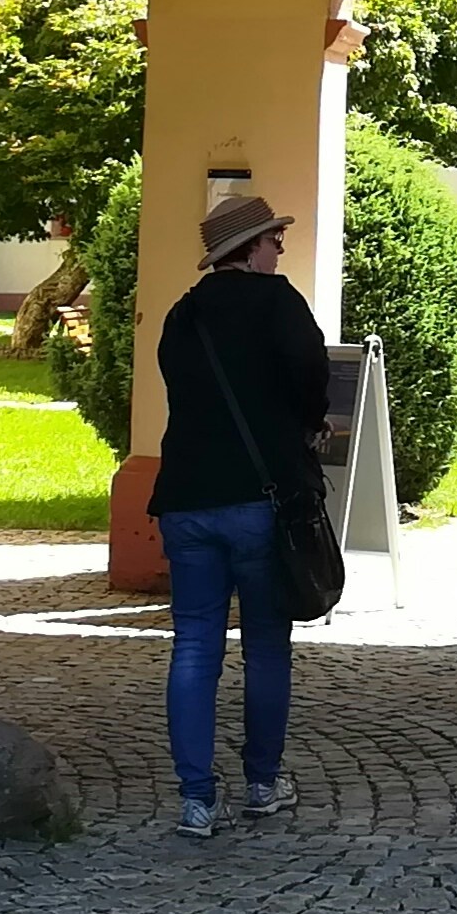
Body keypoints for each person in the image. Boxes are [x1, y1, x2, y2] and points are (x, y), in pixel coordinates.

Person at [148, 193, 330, 839]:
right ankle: (262, 780)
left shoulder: (182, 315)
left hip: (187, 502)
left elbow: (180, 390)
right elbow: (314, 377)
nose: (280, 249)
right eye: (274, 240)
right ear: (250, 248)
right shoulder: (279, 304)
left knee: (194, 645)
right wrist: (305, 427)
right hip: (262, 501)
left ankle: (197, 799)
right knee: (265, 646)